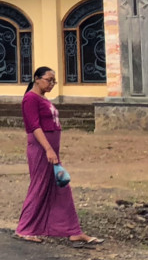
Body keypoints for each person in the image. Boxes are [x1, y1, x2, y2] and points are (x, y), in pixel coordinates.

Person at [16, 66, 103, 245]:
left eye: (54, 81)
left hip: (50, 150)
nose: (52, 84)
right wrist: (48, 149)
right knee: (39, 186)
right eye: (49, 80)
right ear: (37, 79)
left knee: (62, 187)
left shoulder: (43, 99)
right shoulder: (30, 99)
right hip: (41, 149)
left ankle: (73, 230)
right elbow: (35, 127)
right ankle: (25, 228)